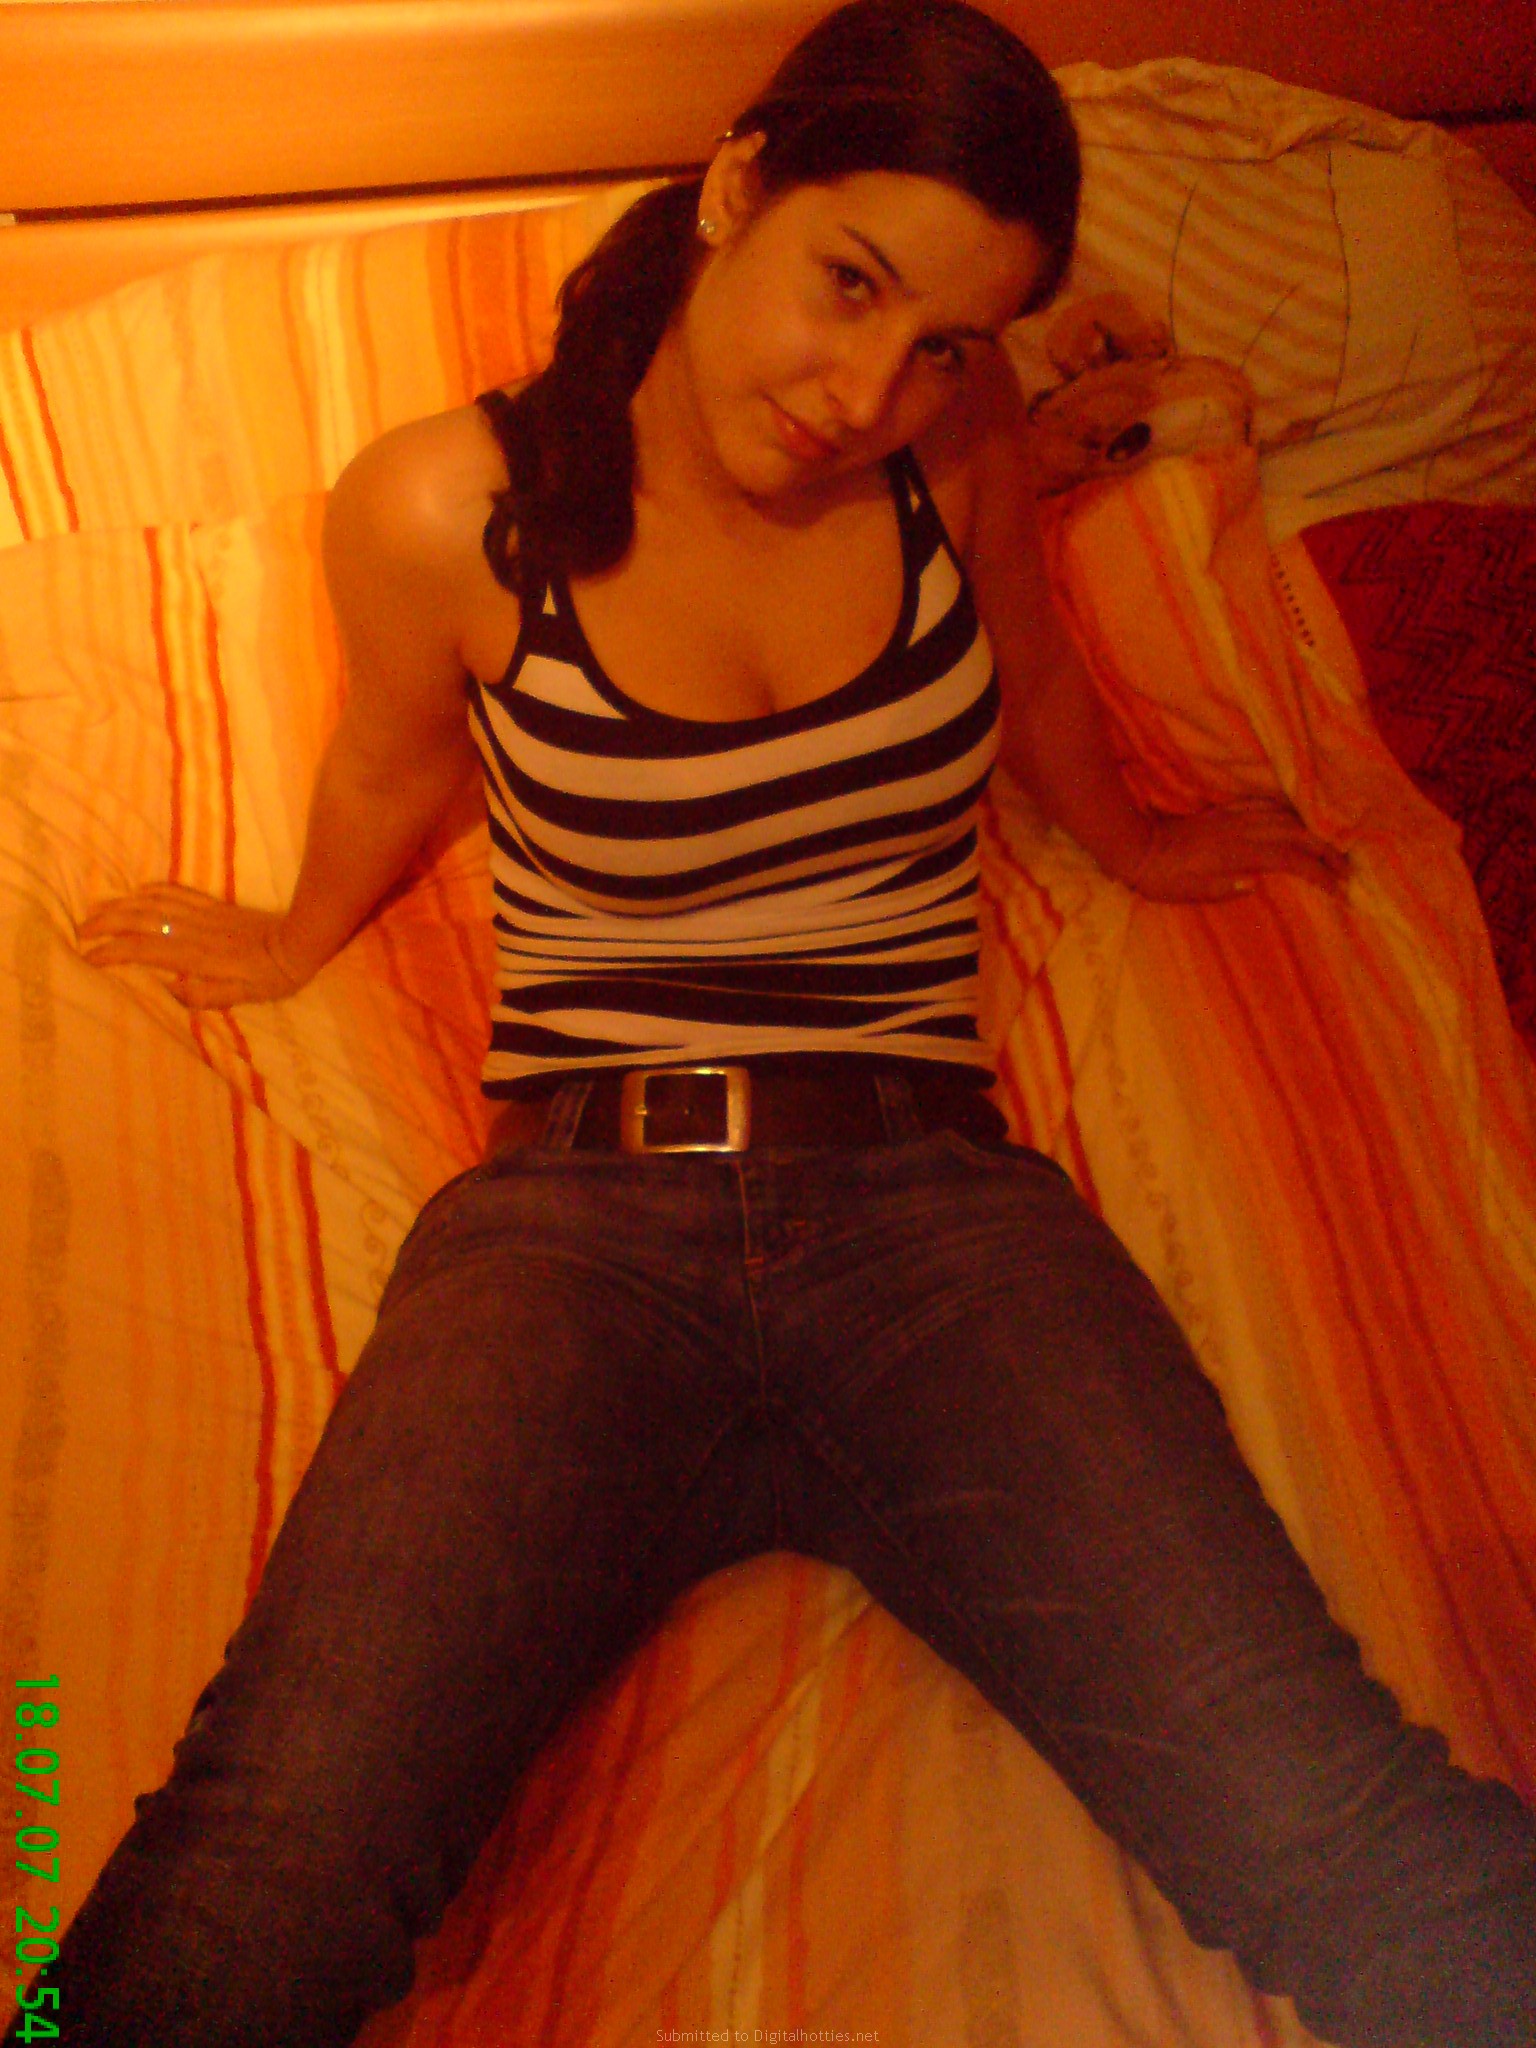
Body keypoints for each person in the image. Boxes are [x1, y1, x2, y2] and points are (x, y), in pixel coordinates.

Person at [18, 2, 1535, 2043]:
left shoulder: (959, 451)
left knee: (1331, 1823)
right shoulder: (442, 509)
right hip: (571, 1235)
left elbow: (1038, 682)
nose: (864, 393)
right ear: (740, 184)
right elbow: (391, 758)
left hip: (931, 1212)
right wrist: (292, 931)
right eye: (850, 282)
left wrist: (1142, 837)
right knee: (269, 1849)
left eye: (944, 343)